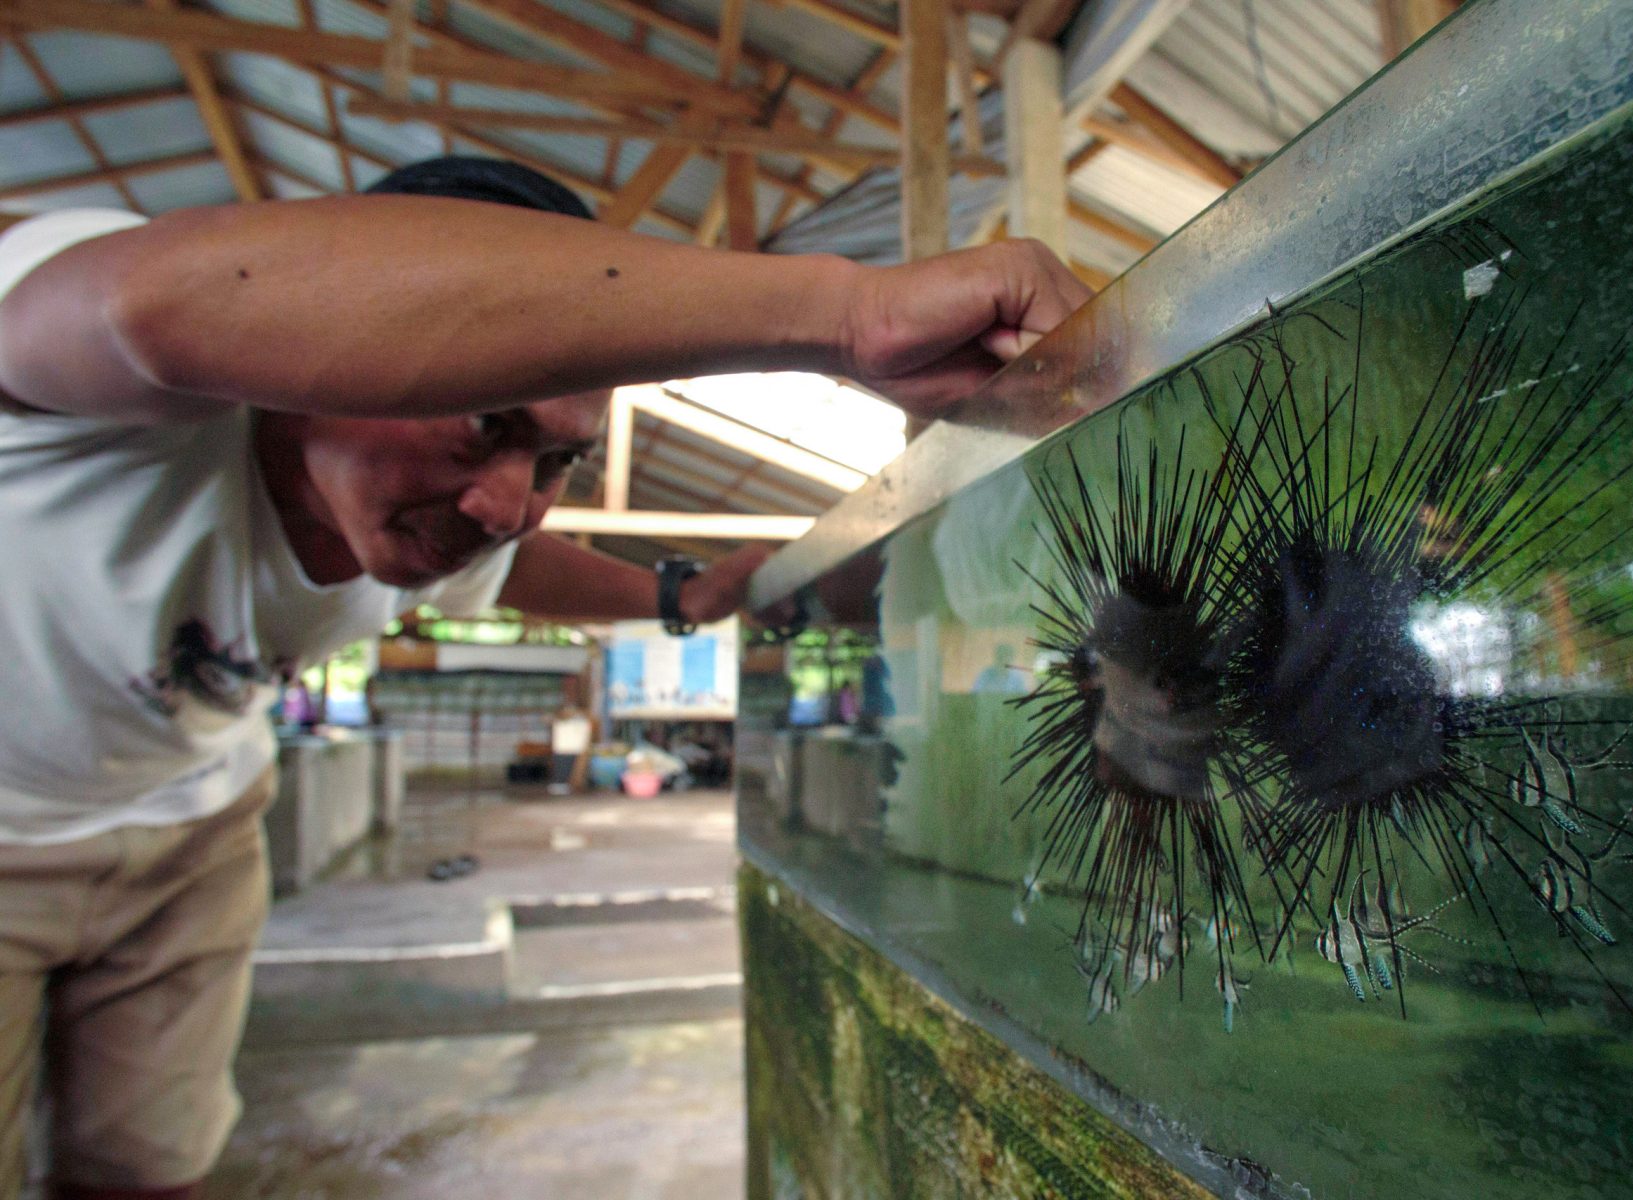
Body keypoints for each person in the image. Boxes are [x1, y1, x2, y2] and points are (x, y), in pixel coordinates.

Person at [0, 156, 1090, 1199]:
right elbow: (151, 307)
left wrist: (681, 596)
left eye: (558, 460)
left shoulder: (436, 532)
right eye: (485, 421)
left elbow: (520, 568)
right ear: (317, 355)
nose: (506, 505)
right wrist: (845, 314)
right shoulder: (92, 366)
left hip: (196, 825)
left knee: (148, 1162)